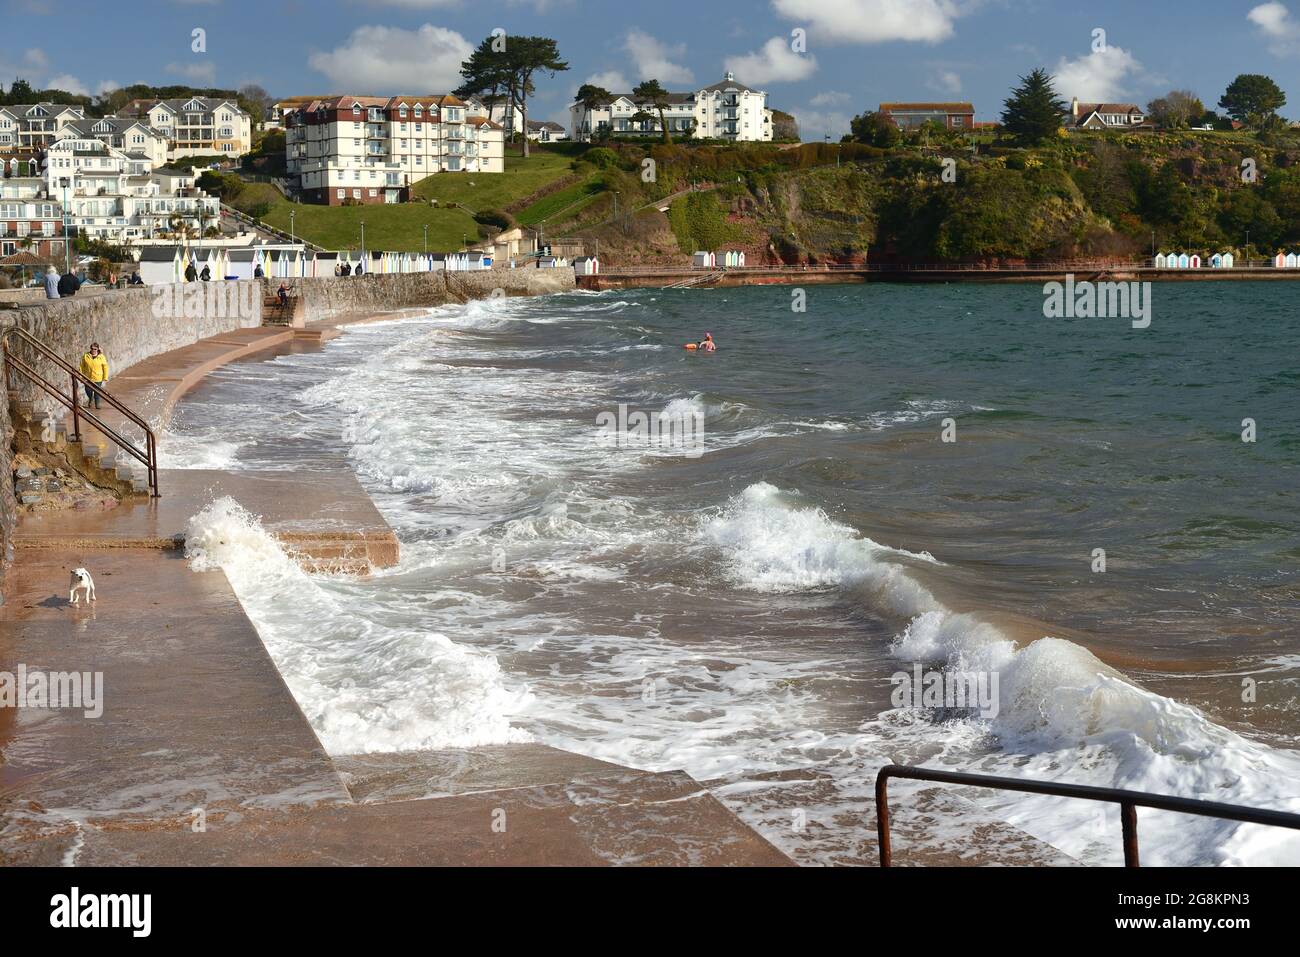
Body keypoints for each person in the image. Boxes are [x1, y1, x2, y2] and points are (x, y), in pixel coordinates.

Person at [79, 343, 108, 410]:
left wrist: (105, 377)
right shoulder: (86, 356)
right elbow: (81, 366)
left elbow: (105, 367)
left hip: (98, 377)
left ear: (98, 349)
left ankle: (97, 404)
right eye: (92, 348)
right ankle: (90, 399)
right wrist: (81, 376)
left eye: (95, 349)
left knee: (97, 392)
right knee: (87, 390)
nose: (93, 350)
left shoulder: (101, 357)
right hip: (88, 377)